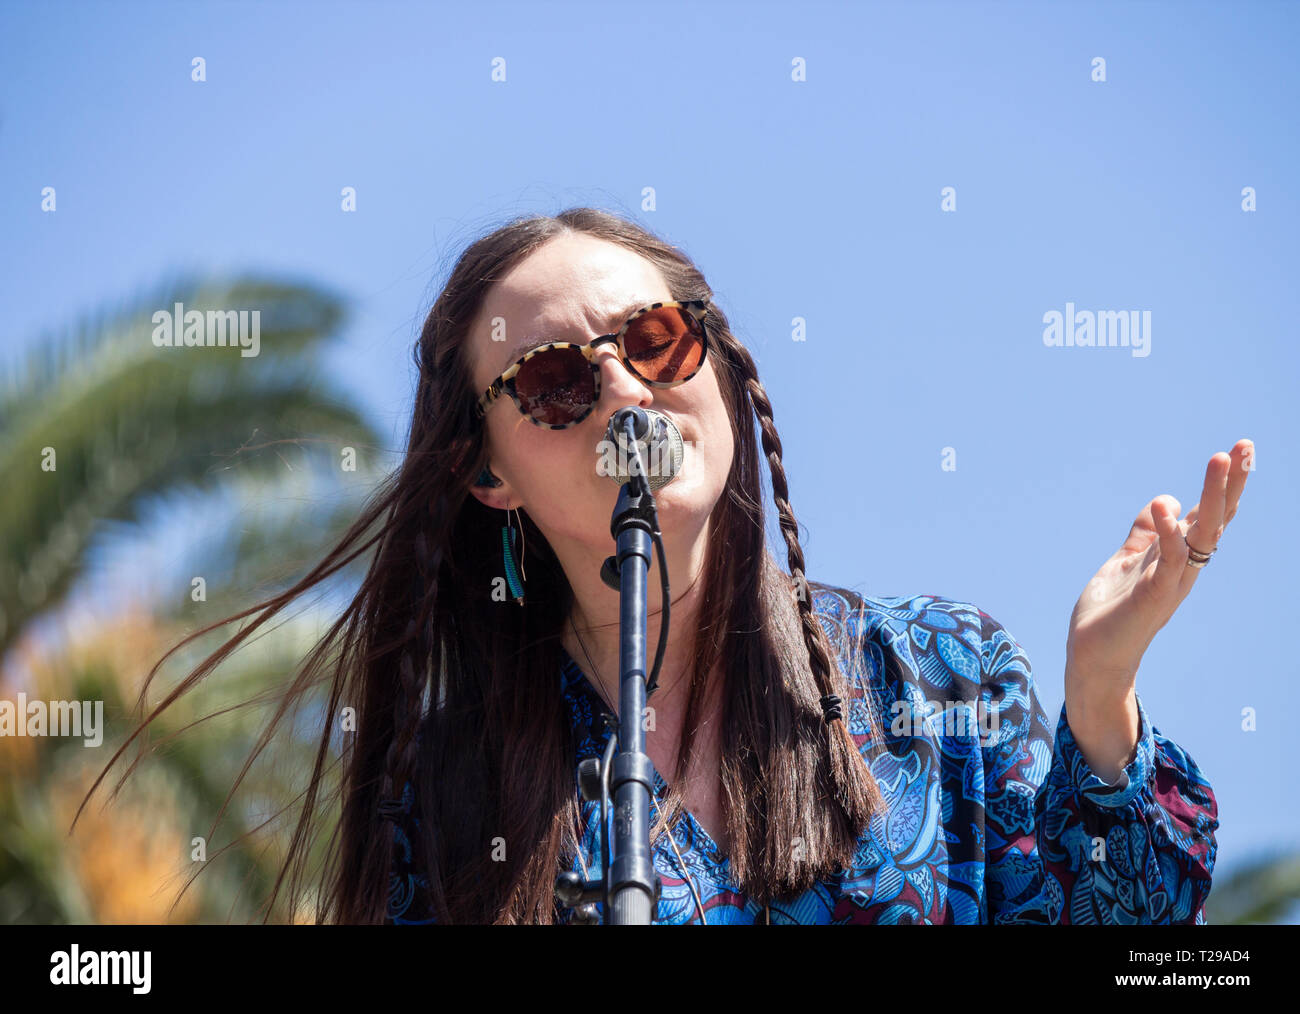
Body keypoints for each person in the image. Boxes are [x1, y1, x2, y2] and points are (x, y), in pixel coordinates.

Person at [107, 208, 1252, 924]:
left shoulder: (935, 672)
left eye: (653, 340)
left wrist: (1100, 701)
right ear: (489, 476)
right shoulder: (444, 794)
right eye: (555, 382)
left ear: (717, 366)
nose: (622, 389)